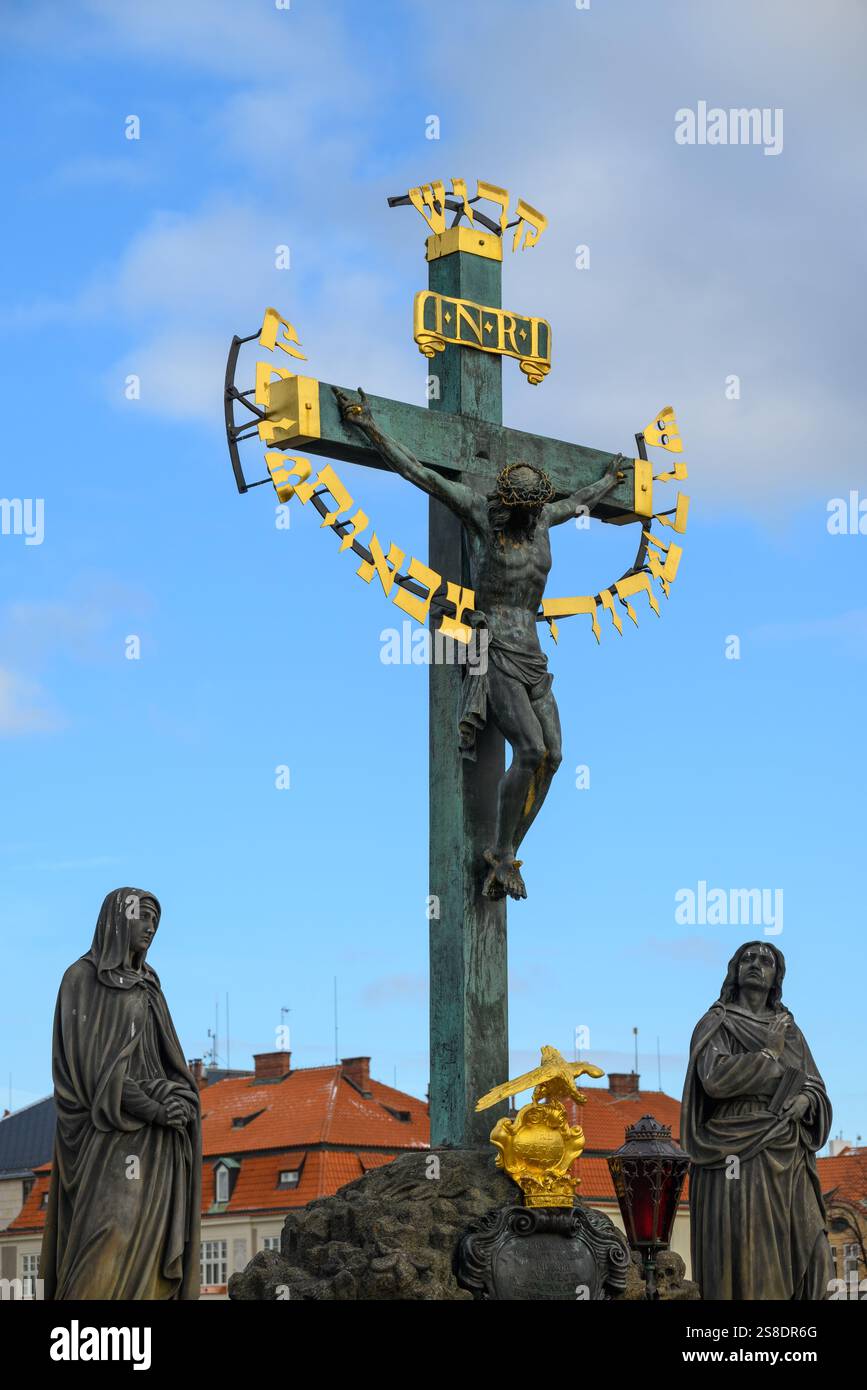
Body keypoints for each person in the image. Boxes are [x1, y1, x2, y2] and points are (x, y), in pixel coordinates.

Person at [334, 385, 628, 900]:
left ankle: (507, 848)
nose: (529, 516)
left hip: (533, 653)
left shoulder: (543, 521)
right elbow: (419, 473)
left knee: (555, 756)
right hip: (493, 648)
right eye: (523, 509)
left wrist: (610, 480)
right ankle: (504, 854)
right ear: (506, 503)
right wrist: (368, 426)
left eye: (535, 509)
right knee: (531, 749)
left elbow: (580, 500)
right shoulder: (481, 516)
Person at [41, 888, 201, 1299]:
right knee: (109, 1231)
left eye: (155, 921)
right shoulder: (81, 980)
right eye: (141, 917)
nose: (149, 928)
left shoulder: (149, 985)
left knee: (147, 1252)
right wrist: (152, 1107)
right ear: (116, 920)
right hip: (107, 1133)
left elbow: (170, 1060)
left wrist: (180, 1099)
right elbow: (92, 1070)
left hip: (157, 1142)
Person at [681, 940, 833, 1300]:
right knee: (747, 1248)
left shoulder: (789, 1028)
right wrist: (768, 1054)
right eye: (747, 958)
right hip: (733, 1145)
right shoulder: (717, 1022)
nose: (755, 964)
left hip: (787, 1145)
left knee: (815, 1248)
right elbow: (715, 1079)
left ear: (776, 977)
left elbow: (814, 1084)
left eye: (765, 961)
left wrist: (805, 1100)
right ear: (735, 971)